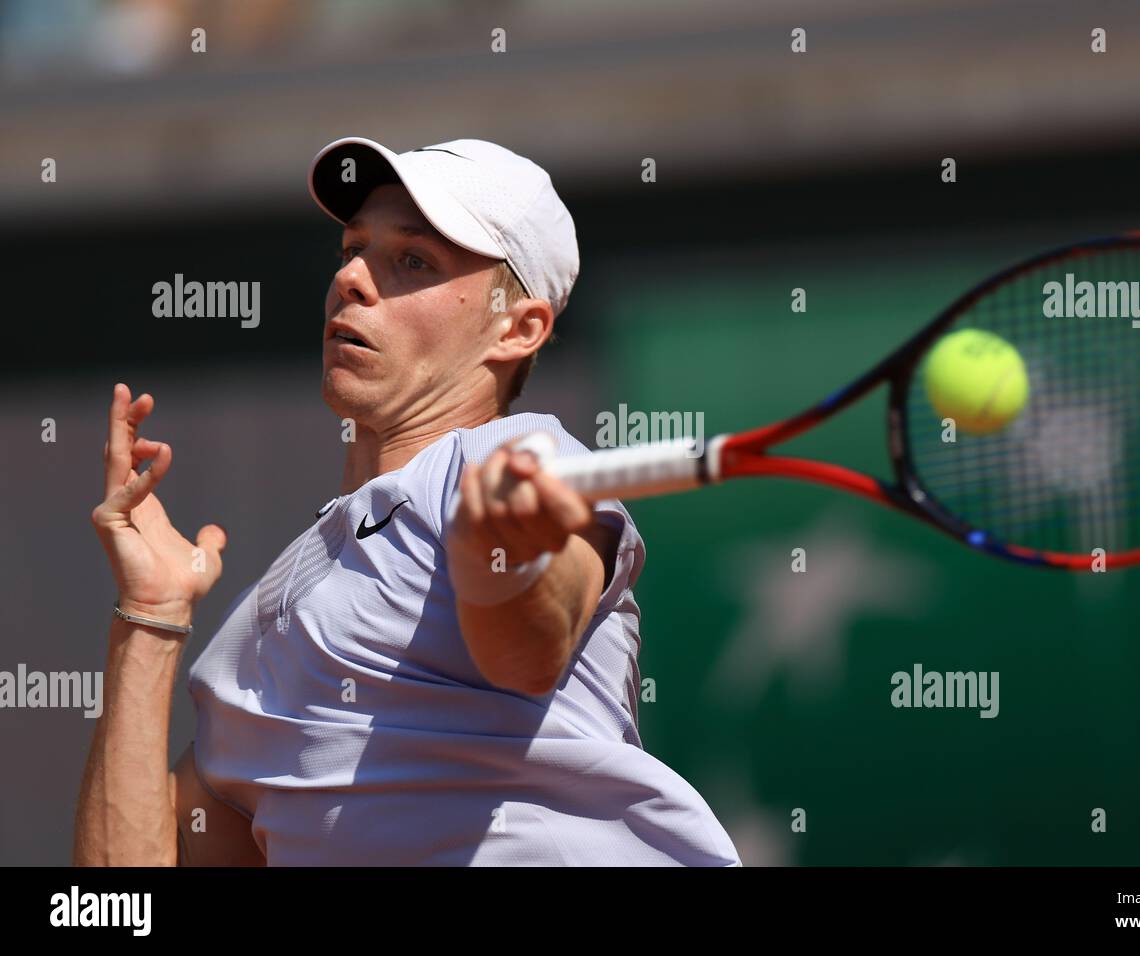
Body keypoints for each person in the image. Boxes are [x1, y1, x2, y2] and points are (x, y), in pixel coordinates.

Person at [75, 137, 741, 866]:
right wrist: (150, 615)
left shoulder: (509, 455)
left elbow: (530, 650)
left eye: (412, 261)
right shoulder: (252, 640)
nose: (352, 278)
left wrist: (504, 555)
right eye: (352, 249)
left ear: (518, 329)